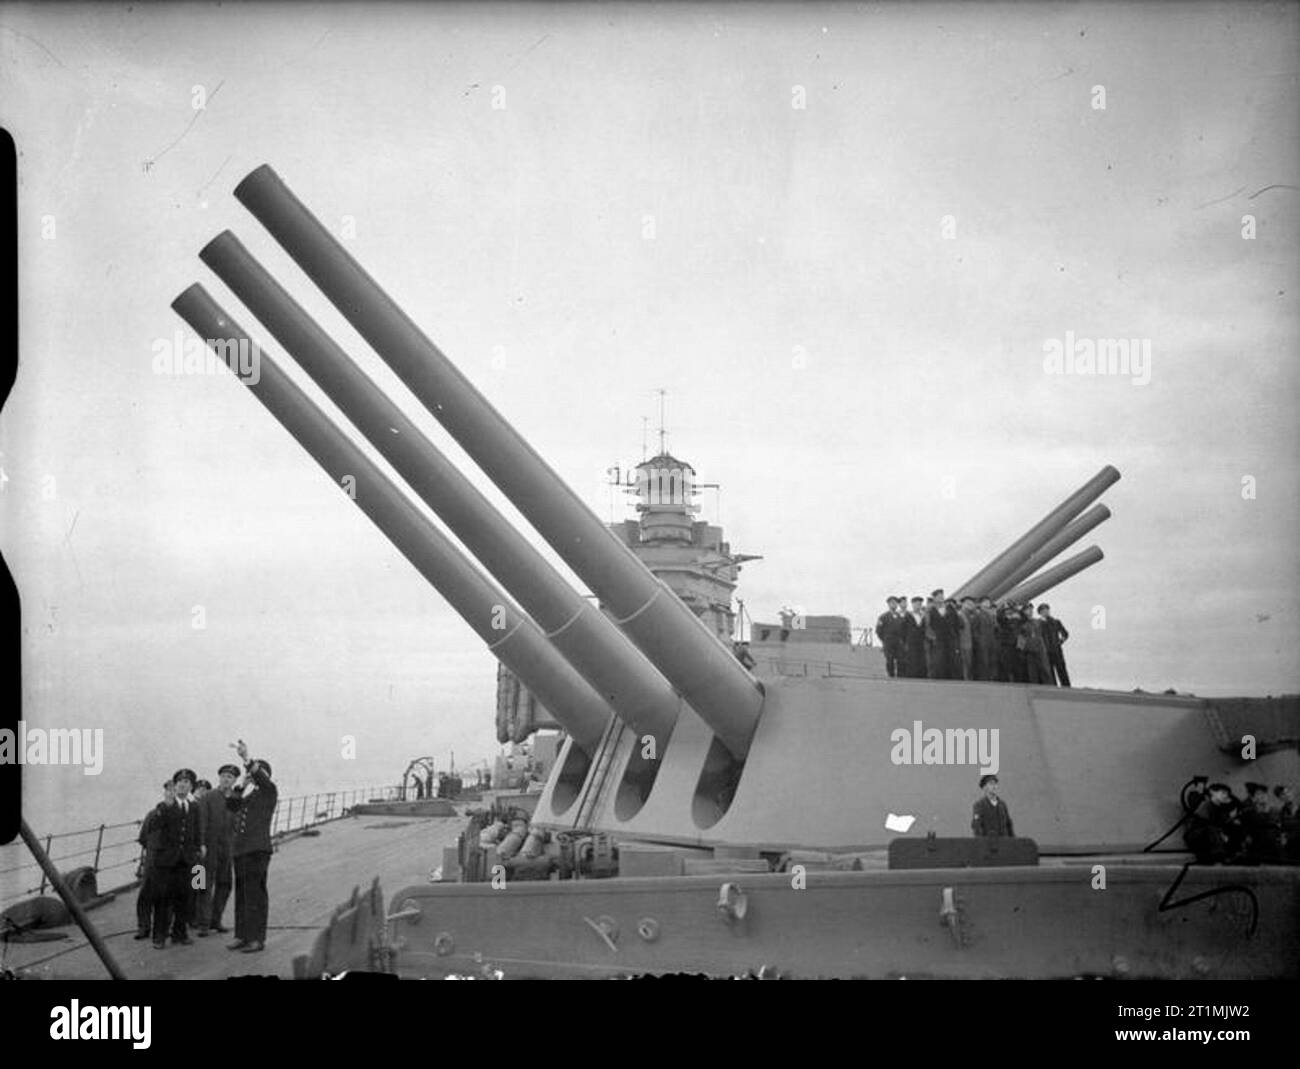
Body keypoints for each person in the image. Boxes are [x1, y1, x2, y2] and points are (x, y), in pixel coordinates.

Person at [227, 741, 278, 953]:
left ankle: (256, 939)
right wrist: (241, 783)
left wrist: (247, 760)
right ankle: (242, 935)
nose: (254, 775)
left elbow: (262, 779)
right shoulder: (249, 796)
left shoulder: (269, 792)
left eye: (259, 773)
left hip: (257, 851)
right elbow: (231, 804)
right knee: (242, 894)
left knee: (255, 895)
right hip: (241, 851)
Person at [150, 769, 203, 949]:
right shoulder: (164, 806)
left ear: (191, 786)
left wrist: (199, 847)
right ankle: (159, 936)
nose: (183, 784)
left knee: (184, 897)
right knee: (163, 899)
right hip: (166, 861)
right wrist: (166, 805)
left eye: (187, 782)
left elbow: (196, 830)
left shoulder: (193, 806)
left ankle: (180, 934)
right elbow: (154, 826)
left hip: (186, 860)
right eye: (180, 781)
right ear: (174, 785)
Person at [195, 764, 238, 936]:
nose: (226, 779)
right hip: (210, 846)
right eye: (224, 776)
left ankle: (216, 920)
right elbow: (202, 821)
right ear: (219, 778)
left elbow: (238, 823)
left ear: (234, 780)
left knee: (225, 884)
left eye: (230, 777)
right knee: (203, 884)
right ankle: (203, 923)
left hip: (227, 848)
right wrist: (202, 843)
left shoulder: (236, 798)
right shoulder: (208, 797)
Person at [134, 780, 173, 939]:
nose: (171, 793)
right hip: (153, 860)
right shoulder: (152, 814)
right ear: (164, 792)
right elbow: (143, 838)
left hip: (170, 862)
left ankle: (165, 927)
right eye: (168, 790)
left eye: (174, 790)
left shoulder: (179, 814)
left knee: (167, 896)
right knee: (146, 895)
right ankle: (143, 926)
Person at [1183, 783, 1240, 863]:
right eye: (1223, 793)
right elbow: (1205, 824)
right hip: (1197, 835)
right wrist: (1221, 833)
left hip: (1210, 835)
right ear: (1212, 792)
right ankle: (1219, 856)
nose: (1226, 795)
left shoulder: (1220, 807)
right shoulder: (1206, 806)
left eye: (1227, 793)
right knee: (1211, 829)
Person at [1238, 782, 1283, 862]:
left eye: (1264, 794)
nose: (1262, 796)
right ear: (1254, 797)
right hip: (1256, 845)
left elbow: (1280, 827)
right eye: (1258, 794)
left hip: (1273, 844)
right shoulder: (1248, 812)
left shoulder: (1275, 811)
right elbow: (1243, 829)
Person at [927, 589, 960, 680]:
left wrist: (955, 636)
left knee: (952, 659)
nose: (941, 598)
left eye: (942, 596)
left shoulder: (950, 608)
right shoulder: (931, 611)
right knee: (940, 660)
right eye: (938, 596)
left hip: (950, 638)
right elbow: (928, 625)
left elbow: (956, 623)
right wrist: (933, 637)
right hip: (939, 639)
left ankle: (953, 678)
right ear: (934, 599)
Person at [1038, 604, 1070, 687]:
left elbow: (1065, 634)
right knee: (1050, 672)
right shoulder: (1038, 624)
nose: (1046, 612)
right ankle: (1053, 687)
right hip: (1046, 652)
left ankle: (1066, 687)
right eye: (1044, 610)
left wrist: (1059, 642)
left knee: (1062, 670)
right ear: (1040, 612)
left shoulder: (1056, 622)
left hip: (1057, 650)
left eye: (1047, 610)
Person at [1018, 604, 1052, 684]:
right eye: (1027, 609)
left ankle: (1049, 688)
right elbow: (1020, 640)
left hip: (1040, 649)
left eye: (1031, 609)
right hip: (1029, 651)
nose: (1030, 611)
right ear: (1023, 612)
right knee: (1032, 673)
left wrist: (1046, 647)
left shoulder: (1038, 622)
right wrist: (1022, 650)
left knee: (1045, 671)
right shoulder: (1021, 624)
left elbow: (1044, 635)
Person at [875, 597, 906, 678]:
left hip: (898, 642)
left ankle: (900, 676)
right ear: (888, 604)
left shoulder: (900, 617)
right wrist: (885, 640)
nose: (894, 605)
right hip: (888, 642)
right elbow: (878, 631)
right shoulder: (883, 617)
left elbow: (903, 630)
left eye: (895, 603)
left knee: (901, 660)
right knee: (890, 660)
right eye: (892, 603)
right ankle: (891, 676)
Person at [900, 597, 928, 678]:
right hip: (911, 642)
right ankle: (911, 676)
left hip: (921, 642)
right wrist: (905, 642)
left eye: (920, 604)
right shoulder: (908, 616)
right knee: (912, 660)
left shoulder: (923, 616)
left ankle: (921, 676)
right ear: (912, 605)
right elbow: (902, 630)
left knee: (921, 660)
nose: (918, 606)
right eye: (916, 604)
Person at [996, 603, 1024, 682]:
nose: (1010, 614)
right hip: (1006, 646)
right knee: (1006, 665)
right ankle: (1007, 681)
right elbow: (999, 616)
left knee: (1017, 666)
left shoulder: (1017, 621)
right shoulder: (1004, 622)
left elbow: (1024, 618)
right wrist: (1003, 607)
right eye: (1007, 612)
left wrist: (1016, 608)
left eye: (1011, 612)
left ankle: (1017, 681)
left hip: (1017, 646)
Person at [975, 596, 999, 681]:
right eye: (985, 601)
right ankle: (984, 679)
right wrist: (979, 640)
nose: (987, 603)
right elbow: (975, 629)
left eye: (988, 601)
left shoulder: (991, 615)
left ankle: (991, 677)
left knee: (992, 660)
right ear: (980, 604)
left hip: (991, 641)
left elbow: (995, 628)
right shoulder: (978, 614)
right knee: (983, 661)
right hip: (983, 642)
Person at [957, 596, 977, 680]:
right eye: (968, 603)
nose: (971, 605)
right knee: (965, 665)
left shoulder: (971, 615)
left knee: (969, 665)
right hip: (963, 644)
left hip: (970, 644)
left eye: (971, 603)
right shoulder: (959, 615)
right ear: (963, 604)